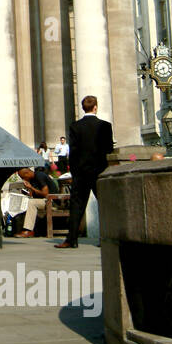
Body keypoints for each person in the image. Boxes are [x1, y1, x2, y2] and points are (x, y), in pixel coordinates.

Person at [56, 95, 114, 249]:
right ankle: (107, 238)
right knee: (105, 205)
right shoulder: (105, 126)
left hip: (81, 172)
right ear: (96, 107)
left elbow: (73, 152)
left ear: (83, 108)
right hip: (100, 171)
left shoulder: (75, 126)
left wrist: (74, 172)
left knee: (77, 205)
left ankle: (71, 239)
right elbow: (109, 149)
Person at [14, 166, 54, 238]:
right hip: (44, 200)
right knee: (24, 201)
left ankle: (28, 230)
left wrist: (31, 188)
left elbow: (45, 194)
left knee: (32, 203)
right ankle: (21, 228)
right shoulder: (32, 179)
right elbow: (35, 193)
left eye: (23, 177)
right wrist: (28, 191)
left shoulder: (39, 176)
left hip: (52, 201)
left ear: (27, 173)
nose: (23, 179)